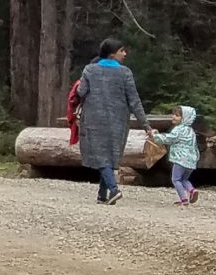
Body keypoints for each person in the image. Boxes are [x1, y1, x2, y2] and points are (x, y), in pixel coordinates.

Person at [76, 38, 145, 205]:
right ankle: (102, 195)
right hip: (118, 121)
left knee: (101, 156)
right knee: (108, 155)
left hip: (94, 120)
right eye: (122, 51)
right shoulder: (125, 72)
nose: (125, 54)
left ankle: (113, 189)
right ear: (112, 53)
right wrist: (145, 124)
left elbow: (81, 91)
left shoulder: (90, 70)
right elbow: (134, 101)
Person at [160, 103, 201, 206]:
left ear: (185, 118)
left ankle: (184, 199)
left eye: (177, 115)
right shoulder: (191, 131)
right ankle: (191, 190)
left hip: (180, 159)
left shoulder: (179, 129)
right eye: (173, 114)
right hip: (191, 161)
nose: (173, 117)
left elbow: (169, 139)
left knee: (176, 179)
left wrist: (156, 137)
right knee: (184, 179)